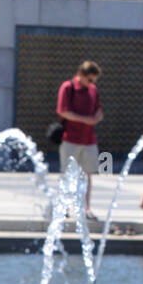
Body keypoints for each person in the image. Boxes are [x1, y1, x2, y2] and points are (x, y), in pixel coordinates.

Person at [56, 60, 103, 220]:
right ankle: (64, 207)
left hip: (89, 139)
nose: (92, 83)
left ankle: (85, 208)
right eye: (89, 79)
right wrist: (85, 119)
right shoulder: (68, 87)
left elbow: (98, 110)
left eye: (94, 80)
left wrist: (97, 117)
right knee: (67, 173)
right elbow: (63, 111)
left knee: (87, 175)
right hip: (70, 138)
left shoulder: (93, 89)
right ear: (81, 74)